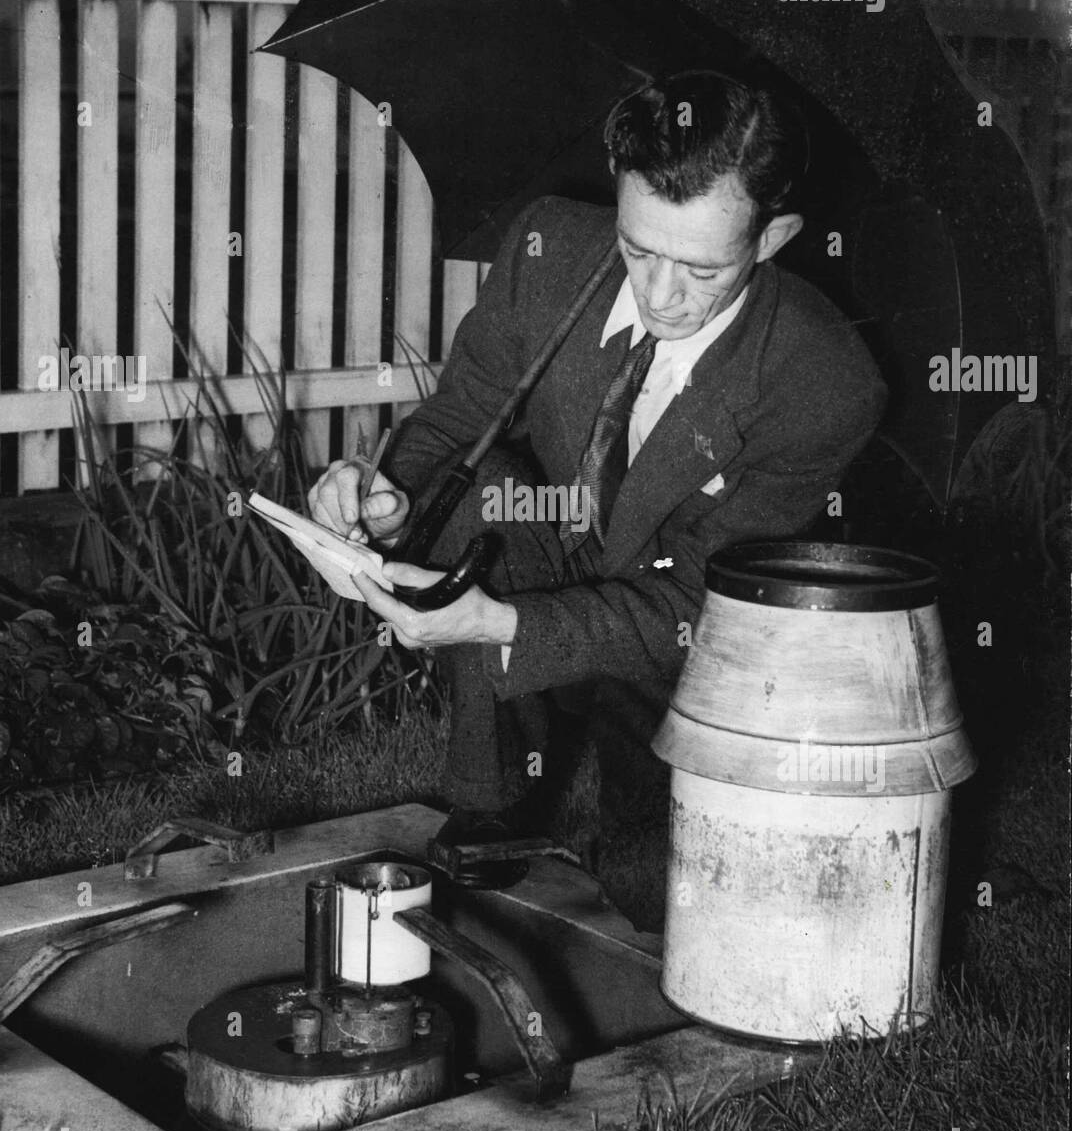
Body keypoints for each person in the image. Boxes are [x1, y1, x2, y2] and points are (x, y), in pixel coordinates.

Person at [309, 71, 887, 910]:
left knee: (656, 897)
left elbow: (701, 609)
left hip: (688, 632)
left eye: (700, 269)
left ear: (772, 237)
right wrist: (383, 494)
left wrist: (498, 623)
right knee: (486, 495)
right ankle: (496, 798)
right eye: (639, 248)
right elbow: (458, 420)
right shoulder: (549, 250)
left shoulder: (825, 382)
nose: (659, 296)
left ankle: (638, 809)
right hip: (566, 544)